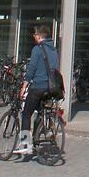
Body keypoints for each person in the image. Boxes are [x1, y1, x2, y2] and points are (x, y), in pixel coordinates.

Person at [15, 24, 59, 158]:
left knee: (26, 113)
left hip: (38, 86)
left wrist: (24, 86)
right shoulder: (54, 50)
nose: (34, 37)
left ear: (39, 36)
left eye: (34, 35)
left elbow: (32, 68)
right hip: (51, 88)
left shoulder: (37, 49)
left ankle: (25, 145)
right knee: (41, 110)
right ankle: (44, 130)